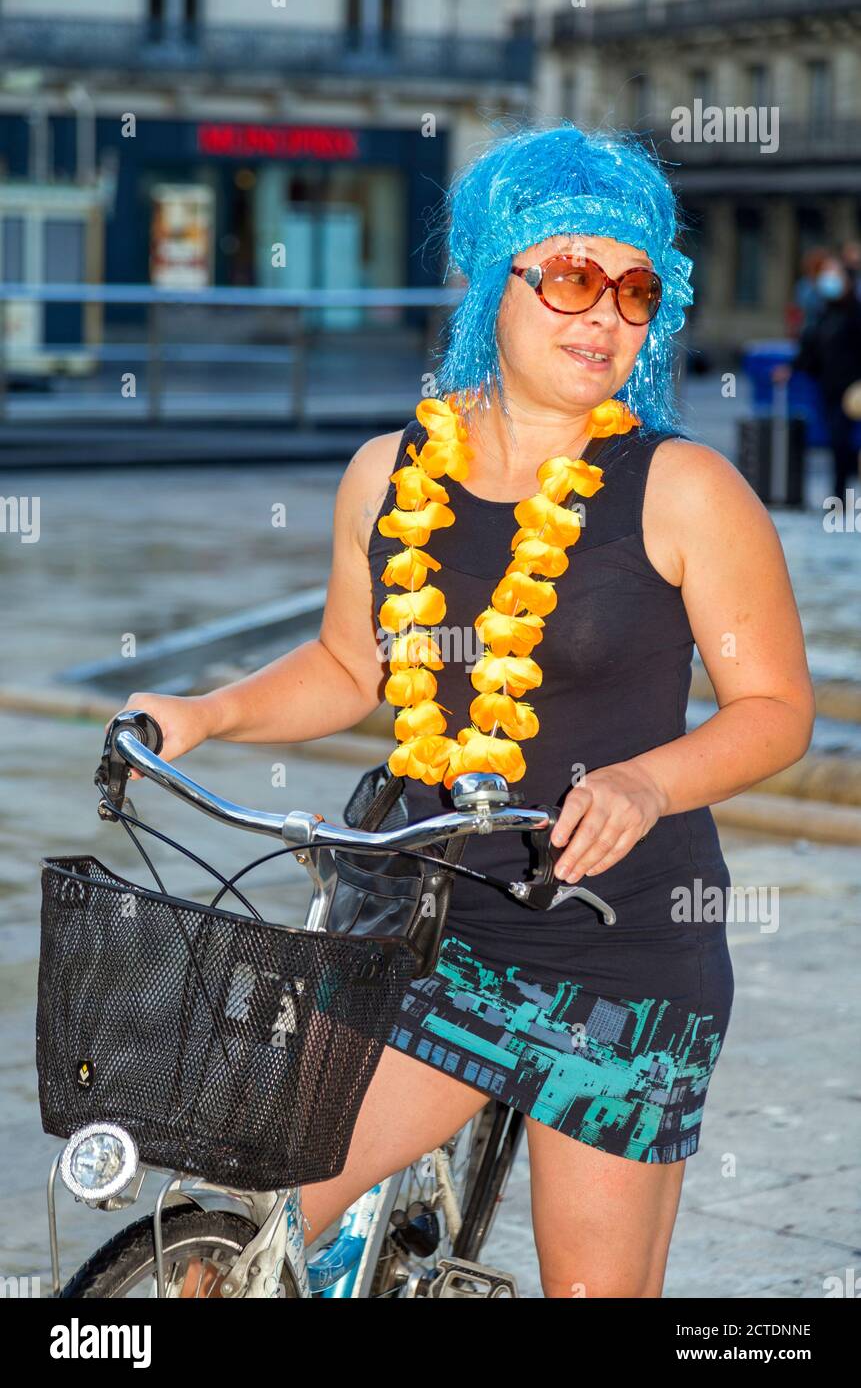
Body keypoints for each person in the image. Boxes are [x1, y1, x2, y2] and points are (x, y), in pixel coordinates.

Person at [119, 123, 814, 1298]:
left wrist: (649, 781)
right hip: (435, 932)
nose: (604, 316)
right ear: (497, 277)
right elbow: (353, 667)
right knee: (232, 1236)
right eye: (572, 278)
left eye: (635, 289)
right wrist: (208, 710)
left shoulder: (685, 487)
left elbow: (777, 707)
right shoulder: (387, 473)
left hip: (620, 957)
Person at [789, 252, 861, 499]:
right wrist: (792, 368)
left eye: (836, 275)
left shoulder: (855, 313)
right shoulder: (823, 312)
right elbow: (811, 348)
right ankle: (840, 493)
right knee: (836, 441)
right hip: (829, 387)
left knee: (842, 440)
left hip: (853, 388)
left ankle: (839, 494)